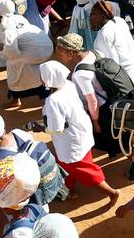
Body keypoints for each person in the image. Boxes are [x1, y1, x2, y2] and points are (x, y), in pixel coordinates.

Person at [39, 59, 120, 204]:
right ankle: (69, 188)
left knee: (85, 170)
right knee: (65, 164)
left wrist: (40, 128)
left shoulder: (53, 100)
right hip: (81, 131)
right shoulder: (69, 85)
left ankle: (112, 192)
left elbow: (56, 129)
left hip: (70, 141)